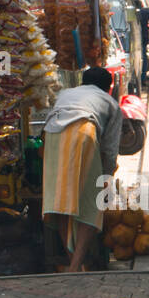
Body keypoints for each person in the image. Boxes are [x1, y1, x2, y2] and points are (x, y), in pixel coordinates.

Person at [43, 66, 121, 272]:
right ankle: (76, 266)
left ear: (82, 82)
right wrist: (106, 177)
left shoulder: (66, 93)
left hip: (52, 134)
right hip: (83, 132)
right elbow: (111, 149)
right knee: (90, 204)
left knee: (59, 201)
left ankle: (74, 262)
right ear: (108, 87)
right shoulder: (111, 103)